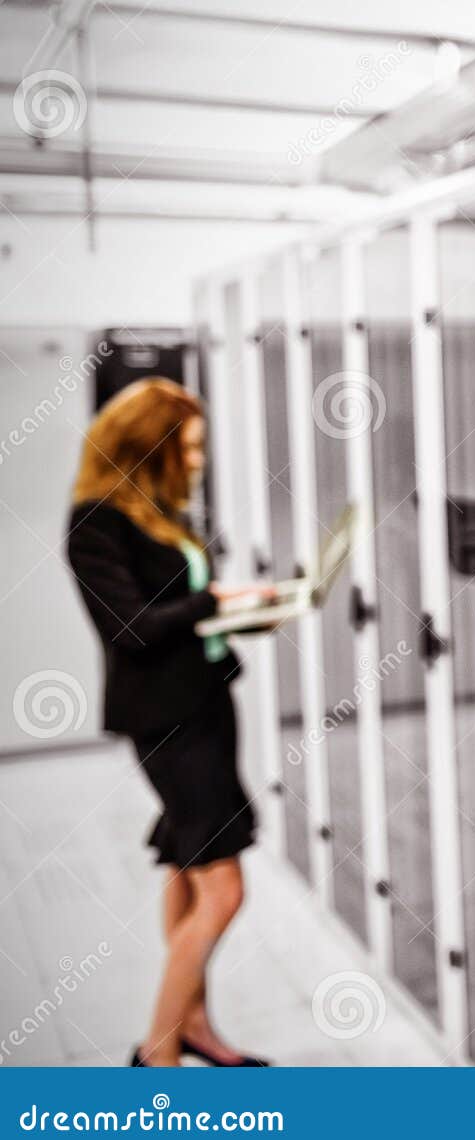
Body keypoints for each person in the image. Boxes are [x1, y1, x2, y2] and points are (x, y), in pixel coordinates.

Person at [64, 377, 277, 1067]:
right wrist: (211, 601)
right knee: (224, 886)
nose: (197, 460)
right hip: (167, 718)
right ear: (145, 447)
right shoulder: (95, 520)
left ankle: (195, 1025)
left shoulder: (157, 510)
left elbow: (182, 605)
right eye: (185, 447)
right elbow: (131, 627)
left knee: (189, 865)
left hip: (205, 700)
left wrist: (241, 606)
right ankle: (156, 1057)